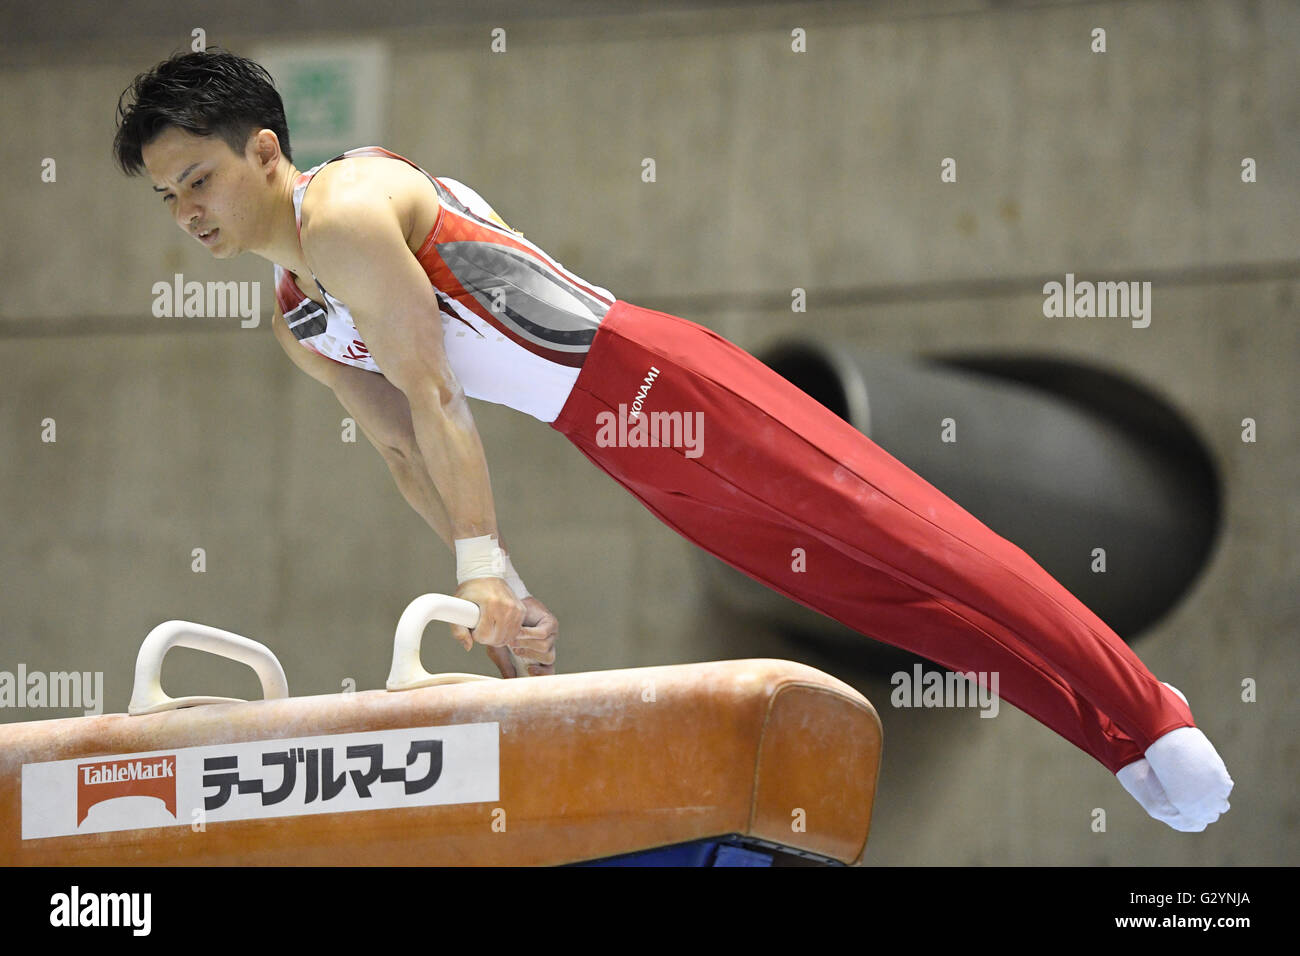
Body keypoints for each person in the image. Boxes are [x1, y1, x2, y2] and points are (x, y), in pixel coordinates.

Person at [112, 48, 1233, 831]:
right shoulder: (295, 314)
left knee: (914, 537)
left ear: (265, 150)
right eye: (167, 197)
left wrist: (479, 562)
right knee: (872, 595)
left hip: (657, 377)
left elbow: (438, 394)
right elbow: (406, 449)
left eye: (198, 178)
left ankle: (1144, 712)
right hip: (613, 436)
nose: (189, 211)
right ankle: (1114, 740)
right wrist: (503, 590)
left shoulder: (349, 213)